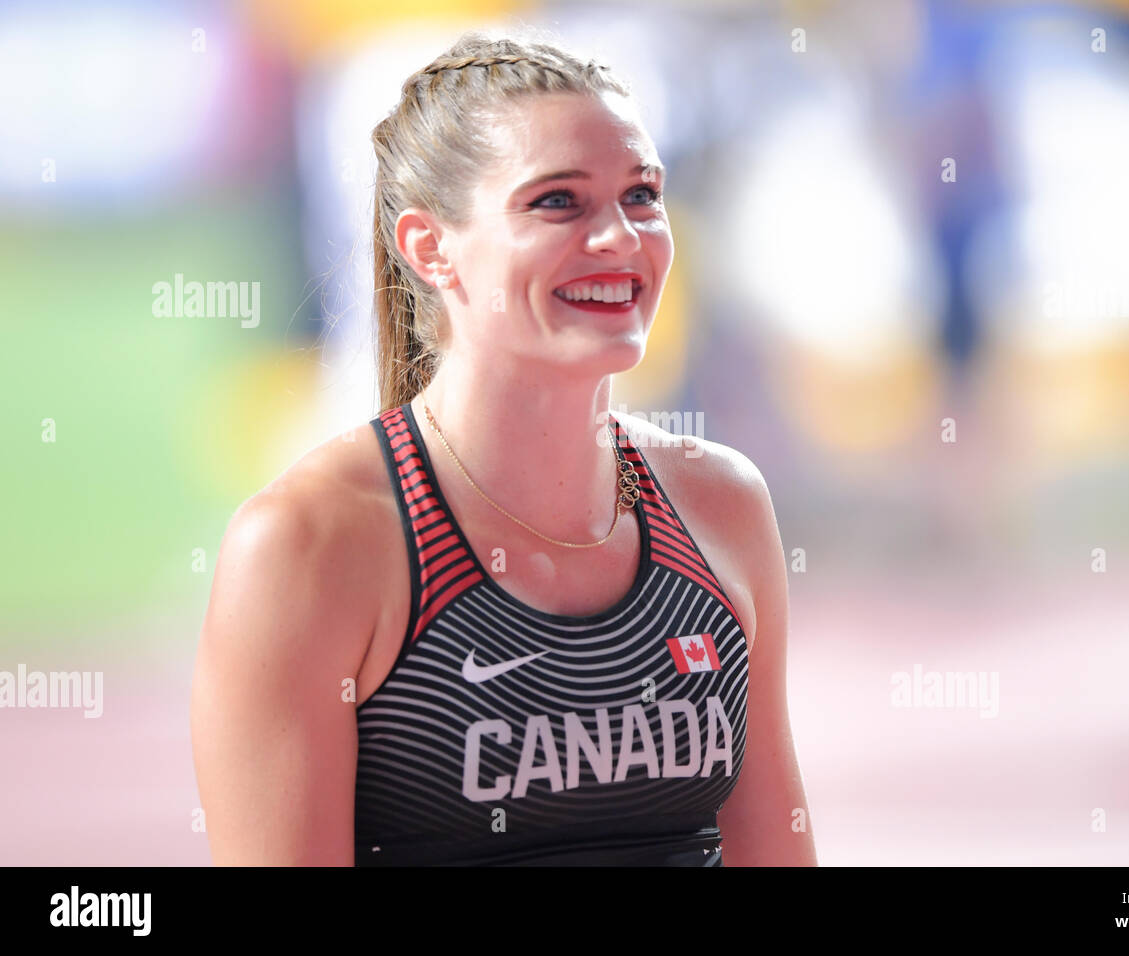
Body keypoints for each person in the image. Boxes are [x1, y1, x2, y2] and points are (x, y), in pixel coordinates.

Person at [191, 30, 816, 866]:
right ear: (429, 247)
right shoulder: (309, 546)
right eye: (559, 201)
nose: (621, 239)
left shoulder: (722, 506)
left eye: (641, 196)